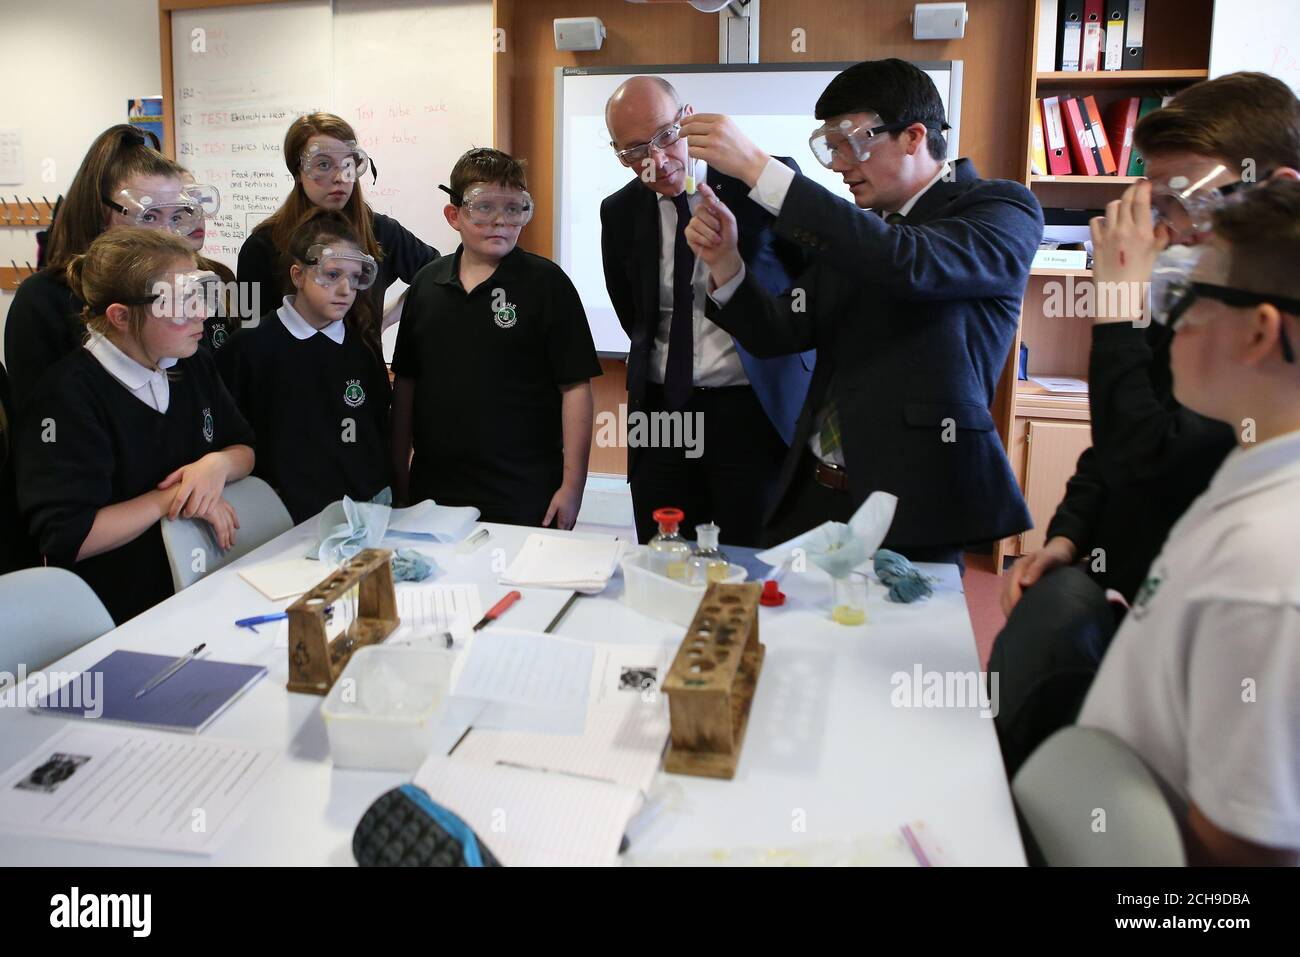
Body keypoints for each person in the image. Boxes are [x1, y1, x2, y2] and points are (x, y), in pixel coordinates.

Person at [990, 72, 1300, 777]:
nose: (1168, 228)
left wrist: (1119, 306)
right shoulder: (1205, 286)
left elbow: (1152, 455)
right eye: (1157, 200)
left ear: (1278, 186)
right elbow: (1117, 440)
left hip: (1199, 641)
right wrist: (1067, 534)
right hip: (1130, 599)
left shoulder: (1260, 326)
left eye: (1187, 199)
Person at [683, 58, 1041, 565]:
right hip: (813, 494)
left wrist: (759, 171)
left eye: (851, 143)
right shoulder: (858, 232)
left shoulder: (1000, 208)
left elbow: (909, 263)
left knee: (902, 644)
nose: (839, 165)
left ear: (914, 135)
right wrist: (728, 265)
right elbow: (779, 331)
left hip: (915, 499)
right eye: (828, 149)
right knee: (791, 638)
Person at [1079, 179, 1300, 866]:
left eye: (1188, 298)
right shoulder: (1252, 468)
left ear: (1260, 329)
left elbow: (1243, 852)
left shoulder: (1267, 564)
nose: (1169, 321)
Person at [601, 75, 813, 547]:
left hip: (750, 406)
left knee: (752, 559)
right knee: (663, 551)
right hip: (660, 409)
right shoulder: (618, 211)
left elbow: (812, 290)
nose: (656, 161)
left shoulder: (763, 183)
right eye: (634, 152)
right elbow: (631, 313)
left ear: (689, 119)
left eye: (664, 137)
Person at [16, 228, 255, 625]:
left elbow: (244, 449)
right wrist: (173, 497)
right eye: (180, 304)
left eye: (200, 294)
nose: (202, 314)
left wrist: (216, 467)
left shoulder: (191, 364)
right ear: (121, 317)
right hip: (117, 616)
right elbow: (69, 537)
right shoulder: (68, 396)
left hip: (201, 590)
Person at [390, 148, 600, 528]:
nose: (500, 222)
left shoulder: (548, 284)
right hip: (435, 491)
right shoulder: (426, 285)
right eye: (483, 207)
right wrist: (400, 479)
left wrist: (572, 487)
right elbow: (406, 385)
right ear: (454, 215)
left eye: (514, 208)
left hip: (525, 491)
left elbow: (576, 389)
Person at [4, 125, 226, 409]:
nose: (167, 235)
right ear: (100, 215)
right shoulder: (44, 299)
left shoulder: (190, 286)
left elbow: (207, 402)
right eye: (149, 217)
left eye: (177, 217)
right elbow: (42, 426)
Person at [218, 210, 391, 524]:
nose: (345, 290)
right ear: (298, 275)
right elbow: (230, 438)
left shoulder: (362, 349)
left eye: (355, 278)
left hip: (359, 517)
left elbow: (375, 434)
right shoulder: (249, 347)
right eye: (332, 274)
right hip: (278, 524)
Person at [237, 112, 437, 328]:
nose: (340, 177)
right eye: (323, 165)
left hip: (363, 361)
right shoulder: (261, 246)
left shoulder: (380, 231)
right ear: (298, 172)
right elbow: (249, 327)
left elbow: (438, 275)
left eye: (347, 165)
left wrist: (385, 319)